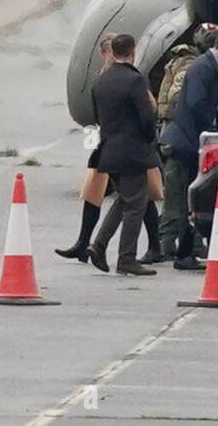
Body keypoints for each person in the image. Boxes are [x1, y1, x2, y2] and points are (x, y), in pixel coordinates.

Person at [155, 26, 218, 258]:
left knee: (187, 195)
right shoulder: (202, 68)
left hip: (189, 141)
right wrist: (211, 130)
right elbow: (197, 104)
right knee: (178, 196)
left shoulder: (208, 67)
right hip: (185, 142)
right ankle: (170, 245)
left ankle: (188, 245)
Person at [85, 34, 161, 276]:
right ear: (132, 52)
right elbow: (147, 117)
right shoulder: (135, 80)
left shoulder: (101, 81)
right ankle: (126, 257)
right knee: (135, 206)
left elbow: (97, 117)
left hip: (109, 150)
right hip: (132, 152)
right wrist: (149, 138)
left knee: (125, 200)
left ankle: (98, 246)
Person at [55, 33, 116, 263]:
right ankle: (84, 242)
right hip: (107, 145)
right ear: (103, 54)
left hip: (121, 146)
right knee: (97, 194)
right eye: (110, 51)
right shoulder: (102, 77)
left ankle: (157, 244)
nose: (113, 56)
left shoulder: (122, 76)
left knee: (139, 196)